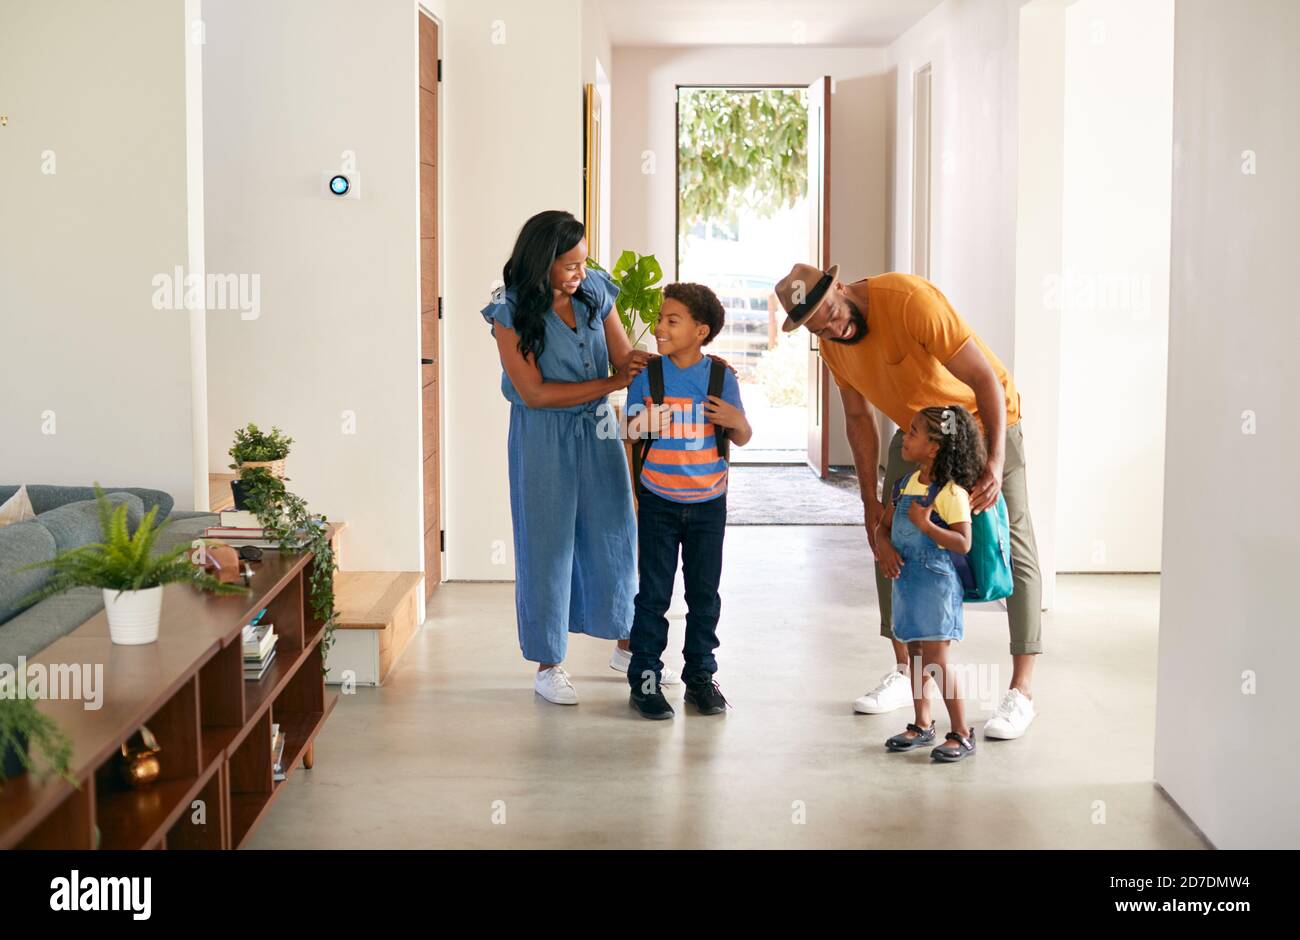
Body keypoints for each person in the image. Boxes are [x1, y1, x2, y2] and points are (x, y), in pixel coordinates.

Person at [774, 263, 1042, 740]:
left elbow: (985, 379)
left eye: (832, 313)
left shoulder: (909, 301)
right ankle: (906, 671)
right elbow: (858, 419)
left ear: (839, 286)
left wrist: (995, 463)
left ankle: (1021, 691)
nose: (833, 328)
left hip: (984, 419)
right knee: (888, 535)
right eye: (818, 328)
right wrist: (867, 502)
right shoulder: (832, 346)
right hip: (919, 434)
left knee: (1009, 545)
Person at [481, 209, 679, 705]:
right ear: (541, 260)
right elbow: (536, 393)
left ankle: (628, 644)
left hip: (598, 429)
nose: (579, 273)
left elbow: (621, 358)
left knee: (615, 532)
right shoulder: (509, 312)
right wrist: (614, 383)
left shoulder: (595, 291)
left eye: (583, 261)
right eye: (569, 264)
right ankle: (549, 665)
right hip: (541, 434)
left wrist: (664, 364)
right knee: (547, 544)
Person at [623, 283, 752, 720]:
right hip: (658, 501)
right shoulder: (648, 377)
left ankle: (700, 676)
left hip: (708, 505)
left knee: (704, 594)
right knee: (654, 594)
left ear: (701, 331)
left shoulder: (721, 377)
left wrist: (737, 422)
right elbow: (629, 431)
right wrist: (644, 420)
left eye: (671, 321)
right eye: (660, 318)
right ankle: (645, 679)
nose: (659, 327)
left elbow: (742, 433)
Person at [878, 406, 983, 762]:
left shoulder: (951, 494)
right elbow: (884, 526)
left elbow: (963, 543)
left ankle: (963, 732)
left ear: (934, 446)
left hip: (937, 586)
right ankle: (923, 724)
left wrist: (928, 527)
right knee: (917, 655)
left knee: (937, 659)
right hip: (907, 581)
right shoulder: (906, 484)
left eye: (912, 433)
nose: (905, 439)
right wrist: (884, 548)